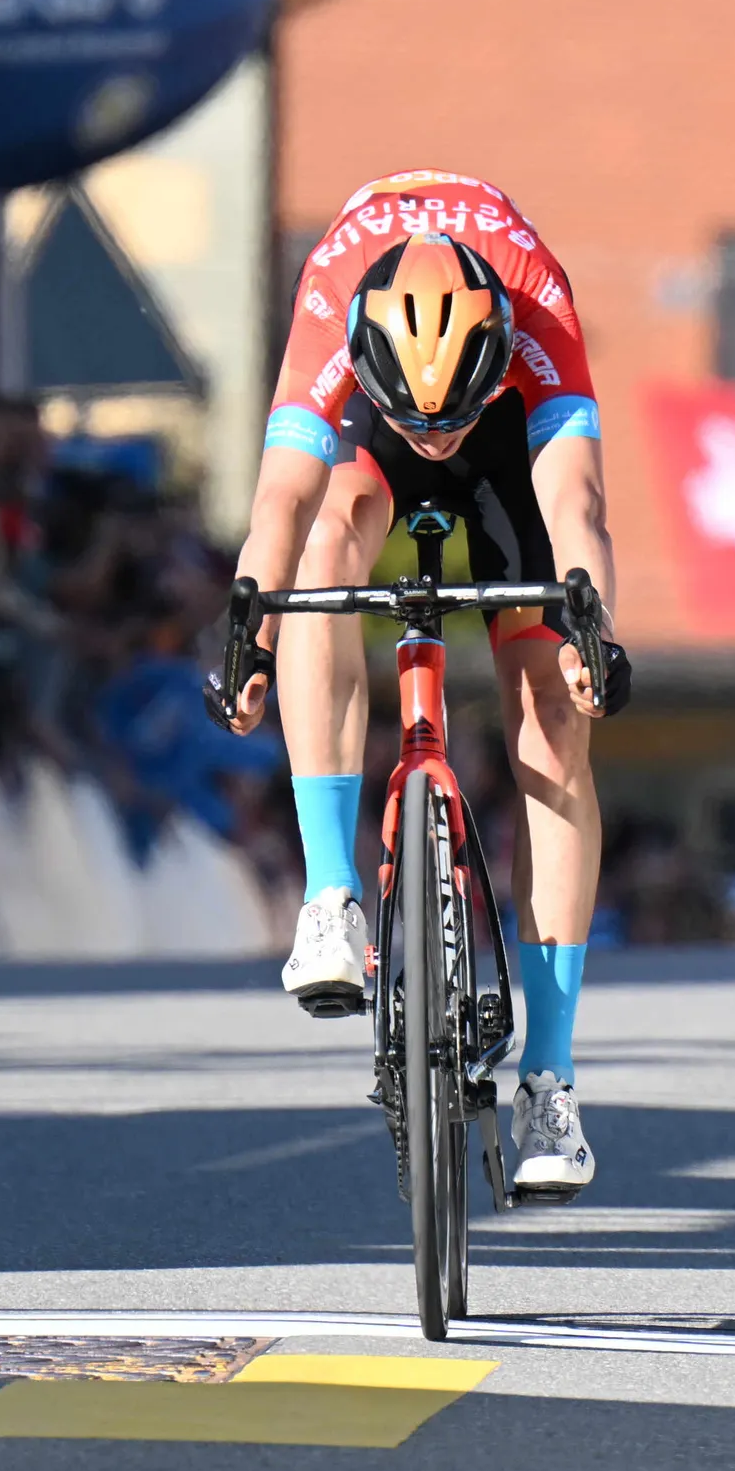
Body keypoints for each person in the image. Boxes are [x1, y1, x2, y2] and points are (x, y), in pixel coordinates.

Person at [225, 168, 628, 1202]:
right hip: (368, 449)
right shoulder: (330, 299)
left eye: (446, 420)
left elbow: (577, 502)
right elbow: (275, 501)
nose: (433, 439)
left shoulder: (536, 303)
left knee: (551, 719)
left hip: (515, 459)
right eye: (422, 423)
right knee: (322, 553)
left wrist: (593, 626)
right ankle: (331, 898)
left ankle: (552, 1076)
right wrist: (246, 635)